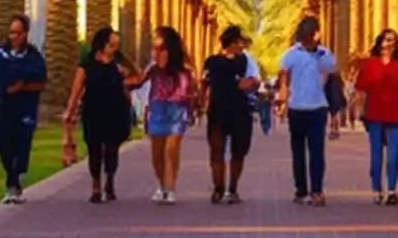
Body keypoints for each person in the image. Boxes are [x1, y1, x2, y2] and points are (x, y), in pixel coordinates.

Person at [64, 26, 142, 204]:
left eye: (116, 44)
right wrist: (70, 111)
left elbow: (139, 76)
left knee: (112, 149)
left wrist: (126, 81)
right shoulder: (88, 63)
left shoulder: (120, 60)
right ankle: (96, 186)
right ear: (103, 43)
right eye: (112, 43)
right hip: (93, 111)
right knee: (94, 149)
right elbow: (77, 89)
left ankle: (110, 181)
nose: (115, 46)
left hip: (116, 111)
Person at [0, 15, 47, 205]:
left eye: (18, 33)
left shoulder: (34, 58)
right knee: (4, 147)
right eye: (12, 32)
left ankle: (14, 183)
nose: (14, 36)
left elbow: (41, 84)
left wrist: (21, 87)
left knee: (21, 146)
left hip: (24, 109)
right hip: (1, 109)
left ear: (25, 34)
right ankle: (12, 181)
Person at [276, 16, 337, 206]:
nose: (309, 39)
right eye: (307, 35)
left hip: (318, 108)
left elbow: (331, 69)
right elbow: (284, 79)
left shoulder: (324, 54)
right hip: (297, 108)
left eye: (312, 35)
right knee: (298, 152)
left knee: (317, 152)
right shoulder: (291, 55)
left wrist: (317, 52)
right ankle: (301, 189)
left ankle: (317, 190)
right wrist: (282, 102)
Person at [201, 25, 260, 204]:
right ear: (232, 43)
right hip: (218, 110)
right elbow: (206, 82)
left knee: (238, 151)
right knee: (216, 151)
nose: (242, 46)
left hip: (240, 111)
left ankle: (232, 189)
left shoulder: (245, 61)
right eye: (239, 42)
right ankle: (218, 188)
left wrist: (250, 84)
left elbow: (253, 82)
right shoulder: (212, 61)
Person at [355, 28, 398, 206]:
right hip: (375, 113)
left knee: (394, 154)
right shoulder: (370, 65)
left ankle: (392, 189)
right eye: (387, 40)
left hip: (396, 114)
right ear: (380, 43)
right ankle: (377, 189)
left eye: (393, 40)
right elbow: (361, 89)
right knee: (376, 154)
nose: (390, 43)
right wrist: (358, 110)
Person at [139, 26, 196, 205]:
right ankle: (161, 185)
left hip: (178, 109)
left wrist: (195, 104)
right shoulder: (154, 66)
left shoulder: (185, 65)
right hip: (157, 108)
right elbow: (140, 80)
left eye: (159, 40)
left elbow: (193, 86)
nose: (156, 44)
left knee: (171, 150)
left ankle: (170, 188)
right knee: (156, 152)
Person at [325, 72, 347, 139]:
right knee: (334, 115)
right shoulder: (338, 81)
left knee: (332, 115)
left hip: (331, 99)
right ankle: (335, 130)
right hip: (336, 100)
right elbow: (342, 88)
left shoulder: (328, 79)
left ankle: (333, 131)